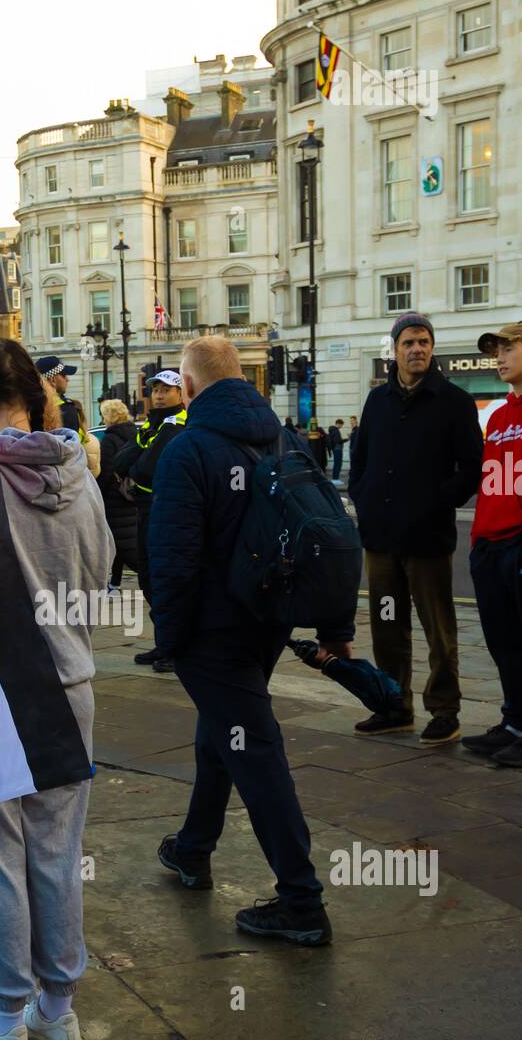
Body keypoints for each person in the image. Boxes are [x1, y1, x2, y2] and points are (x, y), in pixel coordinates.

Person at [0, 338, 114, 1040]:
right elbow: (104, 571)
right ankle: (59, 1013)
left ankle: (4, 1020)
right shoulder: (78, 472)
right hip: (70, 682)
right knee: (56, 850)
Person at [148, 336, 352, 945]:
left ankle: (301, 901)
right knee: (225, 734)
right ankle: (192, 848)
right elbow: (332, 527)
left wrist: (169, 637)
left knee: (254, 749)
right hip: (269, 618)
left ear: (187, 388)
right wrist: (335, 626)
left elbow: (173, 558)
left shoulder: (188, 450)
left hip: (213, 630)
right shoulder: (282, 438)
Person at [348, 312, 483, 744]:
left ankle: (444, 710)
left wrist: (436, 502)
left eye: (424, 341)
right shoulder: (378, 401)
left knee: (437, 628)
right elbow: (362, 458)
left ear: (432, 348)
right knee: (388, 624)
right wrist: (363, 500)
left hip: (426, 541)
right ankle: (394, 705)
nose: (417, 349)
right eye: (409, 342)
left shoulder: (454, 402)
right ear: (395, 349)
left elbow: (472, 468)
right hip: (382, 541)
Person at [462, 322, 522, 768]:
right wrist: (478, 538)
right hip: (489, 545)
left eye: (509, 347)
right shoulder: (499, 415)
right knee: (503, 643)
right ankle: (514, 722)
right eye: (496, 350)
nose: (499, 357)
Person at [113, 369, 187, 673]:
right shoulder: (153, 424)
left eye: (166, 390)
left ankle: (176, 648)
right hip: (145, 508)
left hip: (166, 509)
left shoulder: (177, 424)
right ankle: (164, 643)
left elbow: (147, 467)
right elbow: (120, 461)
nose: (158, 395)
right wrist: (131, 465)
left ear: (181, 394)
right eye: (155, 389)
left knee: (165, 579)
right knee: (148, 578)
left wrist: (133, 466)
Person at [97, 398, 138, 589]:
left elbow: (105, 472)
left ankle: (142, 573)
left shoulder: (109, 439)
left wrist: (99, 495)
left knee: (118, 540)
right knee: (124, 538)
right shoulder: (135, 433)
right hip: (132, 493)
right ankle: (114, 581)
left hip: (114, 498)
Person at [34, 355, 81, 433]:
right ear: (52, 380)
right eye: (63, 375)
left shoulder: (30, 407)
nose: (67, 379)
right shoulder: (66, 409)